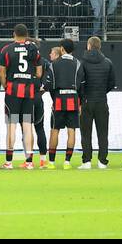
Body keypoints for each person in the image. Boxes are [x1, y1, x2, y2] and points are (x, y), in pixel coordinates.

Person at [0, 24, 43, 169]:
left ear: (14, 34)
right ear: (27, 34)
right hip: (28, 91)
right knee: (27, 125)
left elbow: (2, 72)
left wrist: (6, 85)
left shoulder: (7, 49)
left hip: (12, 91)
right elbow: (39, 73)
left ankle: (9, 162)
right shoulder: (33, 49)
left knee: (11, 126)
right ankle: (29, 162)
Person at [76, 35, 115, 169]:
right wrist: (102, 92)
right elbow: (112, 83)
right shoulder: (107, 62)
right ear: (99, 47)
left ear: (88, 46)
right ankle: (102, 161)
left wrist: (82, 97)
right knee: (103, 132)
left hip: (87, 100)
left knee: (86, 133)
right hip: (102, 101)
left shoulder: (83, 62)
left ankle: (86, 161)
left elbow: (79, 83)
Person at [47, 40, 81, 169]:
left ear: (61, 49)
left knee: (55, 129)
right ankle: (67, 161)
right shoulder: (77, 63)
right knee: (71, 130)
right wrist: (80, 102)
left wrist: (54, 99)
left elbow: (50, 85)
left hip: (59, 99)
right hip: (73, 98)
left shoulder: (54, 64)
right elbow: (81, 84)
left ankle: (51, 162)